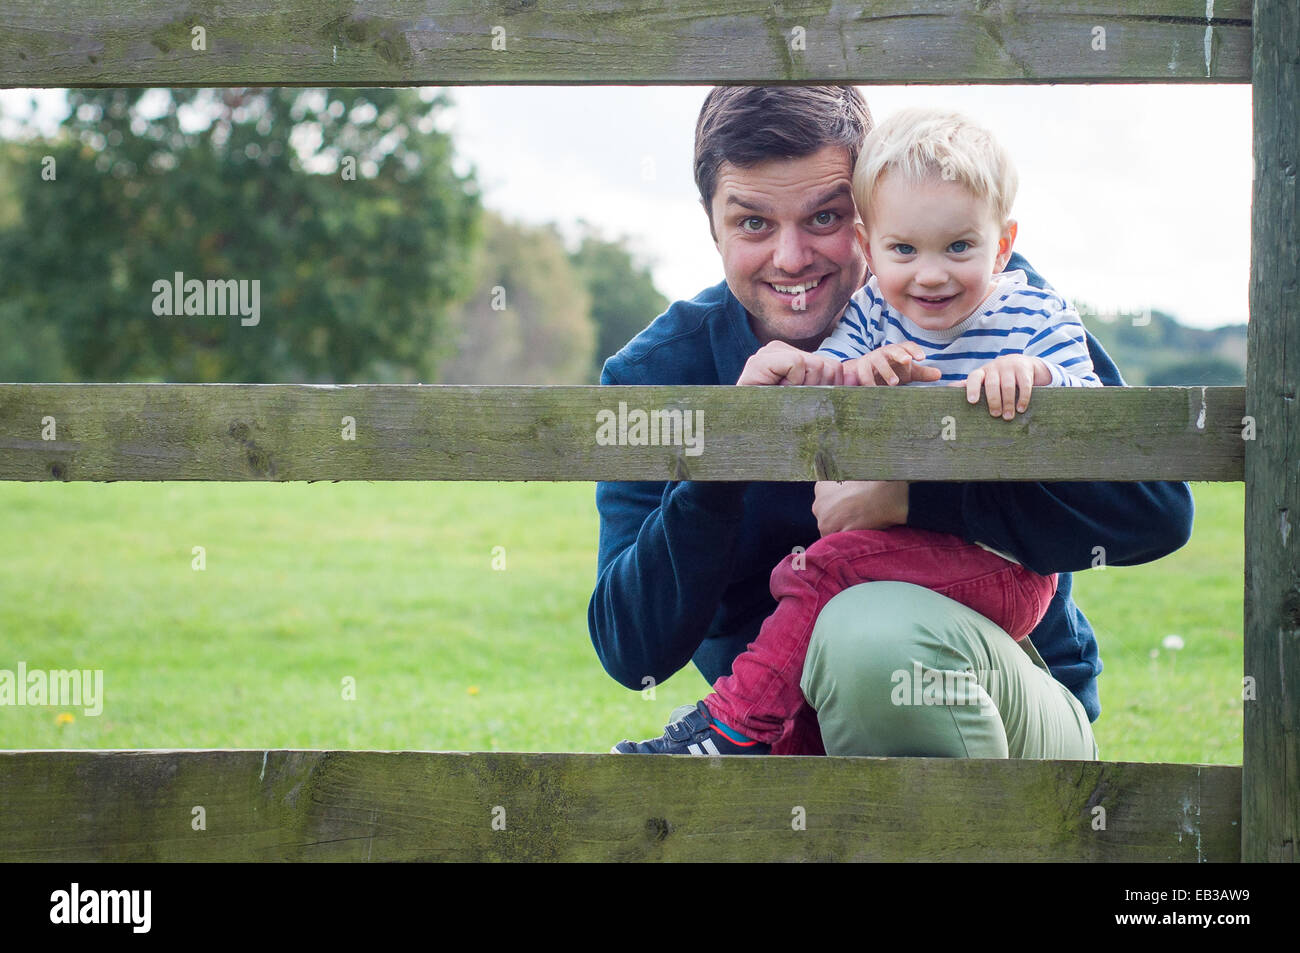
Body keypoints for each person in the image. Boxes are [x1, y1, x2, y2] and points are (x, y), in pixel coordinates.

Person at [588, 86, 1193, 759]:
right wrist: (730, 445)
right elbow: (630, 651)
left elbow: (1155, 507)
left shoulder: (987, 302)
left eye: (824, 217)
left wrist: (913, 497)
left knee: (866, 634)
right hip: (779, 741)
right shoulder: (661, 369)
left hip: (1005, 707)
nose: (791, 258)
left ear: (870, 213)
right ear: (711, 224)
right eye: (754, 223)